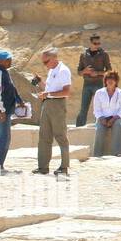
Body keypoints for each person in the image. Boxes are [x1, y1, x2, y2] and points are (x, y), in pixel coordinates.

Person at [33, 47, 72, 176]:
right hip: (47, 104)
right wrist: (40, 83)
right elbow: (49, 89)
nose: (45, 65)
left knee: (60, 136)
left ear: (54, 58)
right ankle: (43, 167)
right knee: (44, 136)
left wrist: (47, 93)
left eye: (46, 61)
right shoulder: (52, 71)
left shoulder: (63, 70)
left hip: (57, 104)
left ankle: (64, 166)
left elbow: (66, 91)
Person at [75, 34, 110, 127]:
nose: (97, 45)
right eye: (95, 43)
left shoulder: (104, 54)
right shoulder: (83, 55)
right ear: (90, 43)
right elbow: (78, 72)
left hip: (98, 84)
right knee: (83, 108)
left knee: (99, 108)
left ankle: (99, 127)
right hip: (86, 84)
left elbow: (109, 71)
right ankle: (79, 128)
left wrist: (98, 73)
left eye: (99, 43)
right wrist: (84, 71)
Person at [91, 71, 121, 157]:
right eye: (108, 79)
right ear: (105, 81)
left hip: (116, 118)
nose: (110, 81)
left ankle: (117, 153)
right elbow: (96, 109)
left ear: (116, 81)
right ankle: (97, 154)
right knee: (99, 129)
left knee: (119, 125)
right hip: (102, 117)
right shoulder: (99, 93)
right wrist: (101, 118)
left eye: (113, 79)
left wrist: (114, 119)